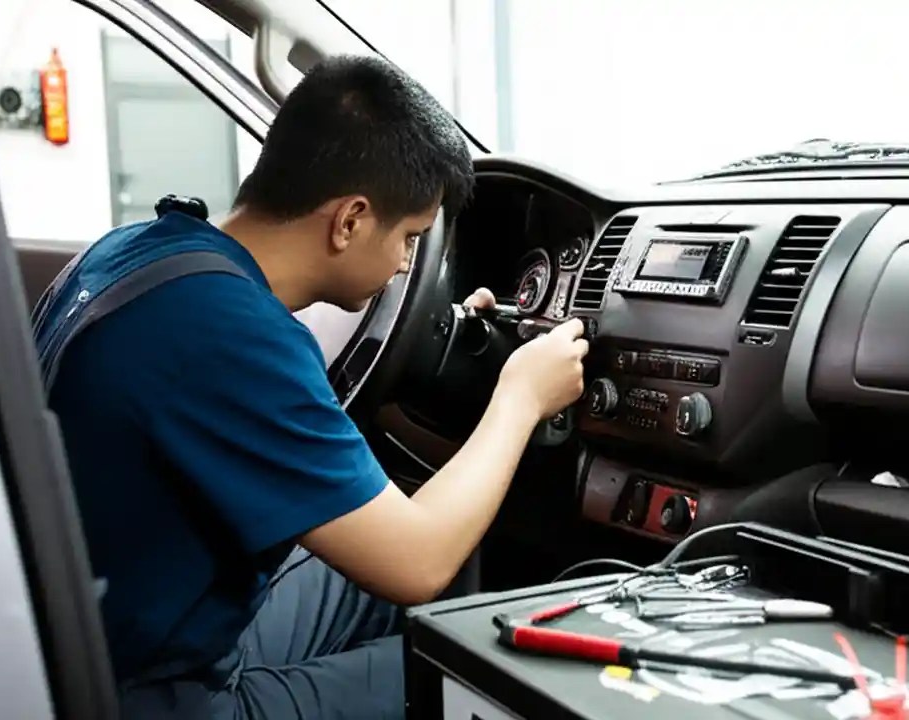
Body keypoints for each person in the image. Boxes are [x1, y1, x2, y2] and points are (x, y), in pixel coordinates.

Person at [31, 54, 589, 719]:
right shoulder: (234, 336)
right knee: (489, 668)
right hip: (150, 697)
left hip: (102, 632)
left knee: (398, 575)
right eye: (409, 237)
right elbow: (420, 563)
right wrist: (520, 398)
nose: (408, 263)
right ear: (349, 220)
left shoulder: (137, 250)